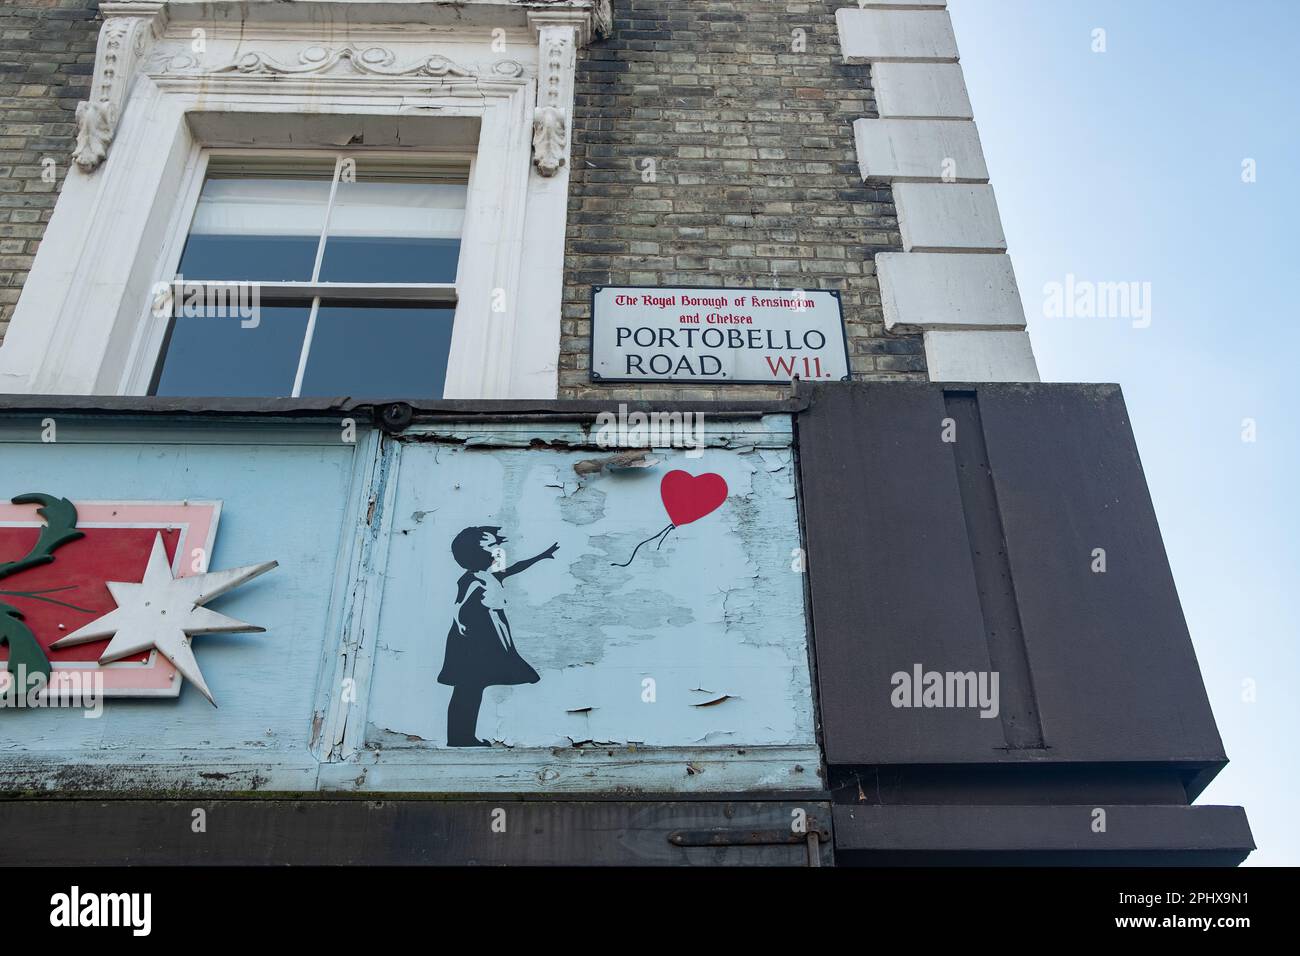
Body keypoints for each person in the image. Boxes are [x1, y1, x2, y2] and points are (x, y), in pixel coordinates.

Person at [438, 526, 558, 746]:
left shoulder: (492, 575)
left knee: (472, 687)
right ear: (473, 553)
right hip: (471, 639)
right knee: (468, 687)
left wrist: (543, 555)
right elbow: (459, 604)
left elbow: (516, 568)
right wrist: (459, 623)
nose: (499, 549)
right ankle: (460, 737)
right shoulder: (473, 579)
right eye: (491, 545)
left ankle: (462, 737)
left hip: (486, 635)